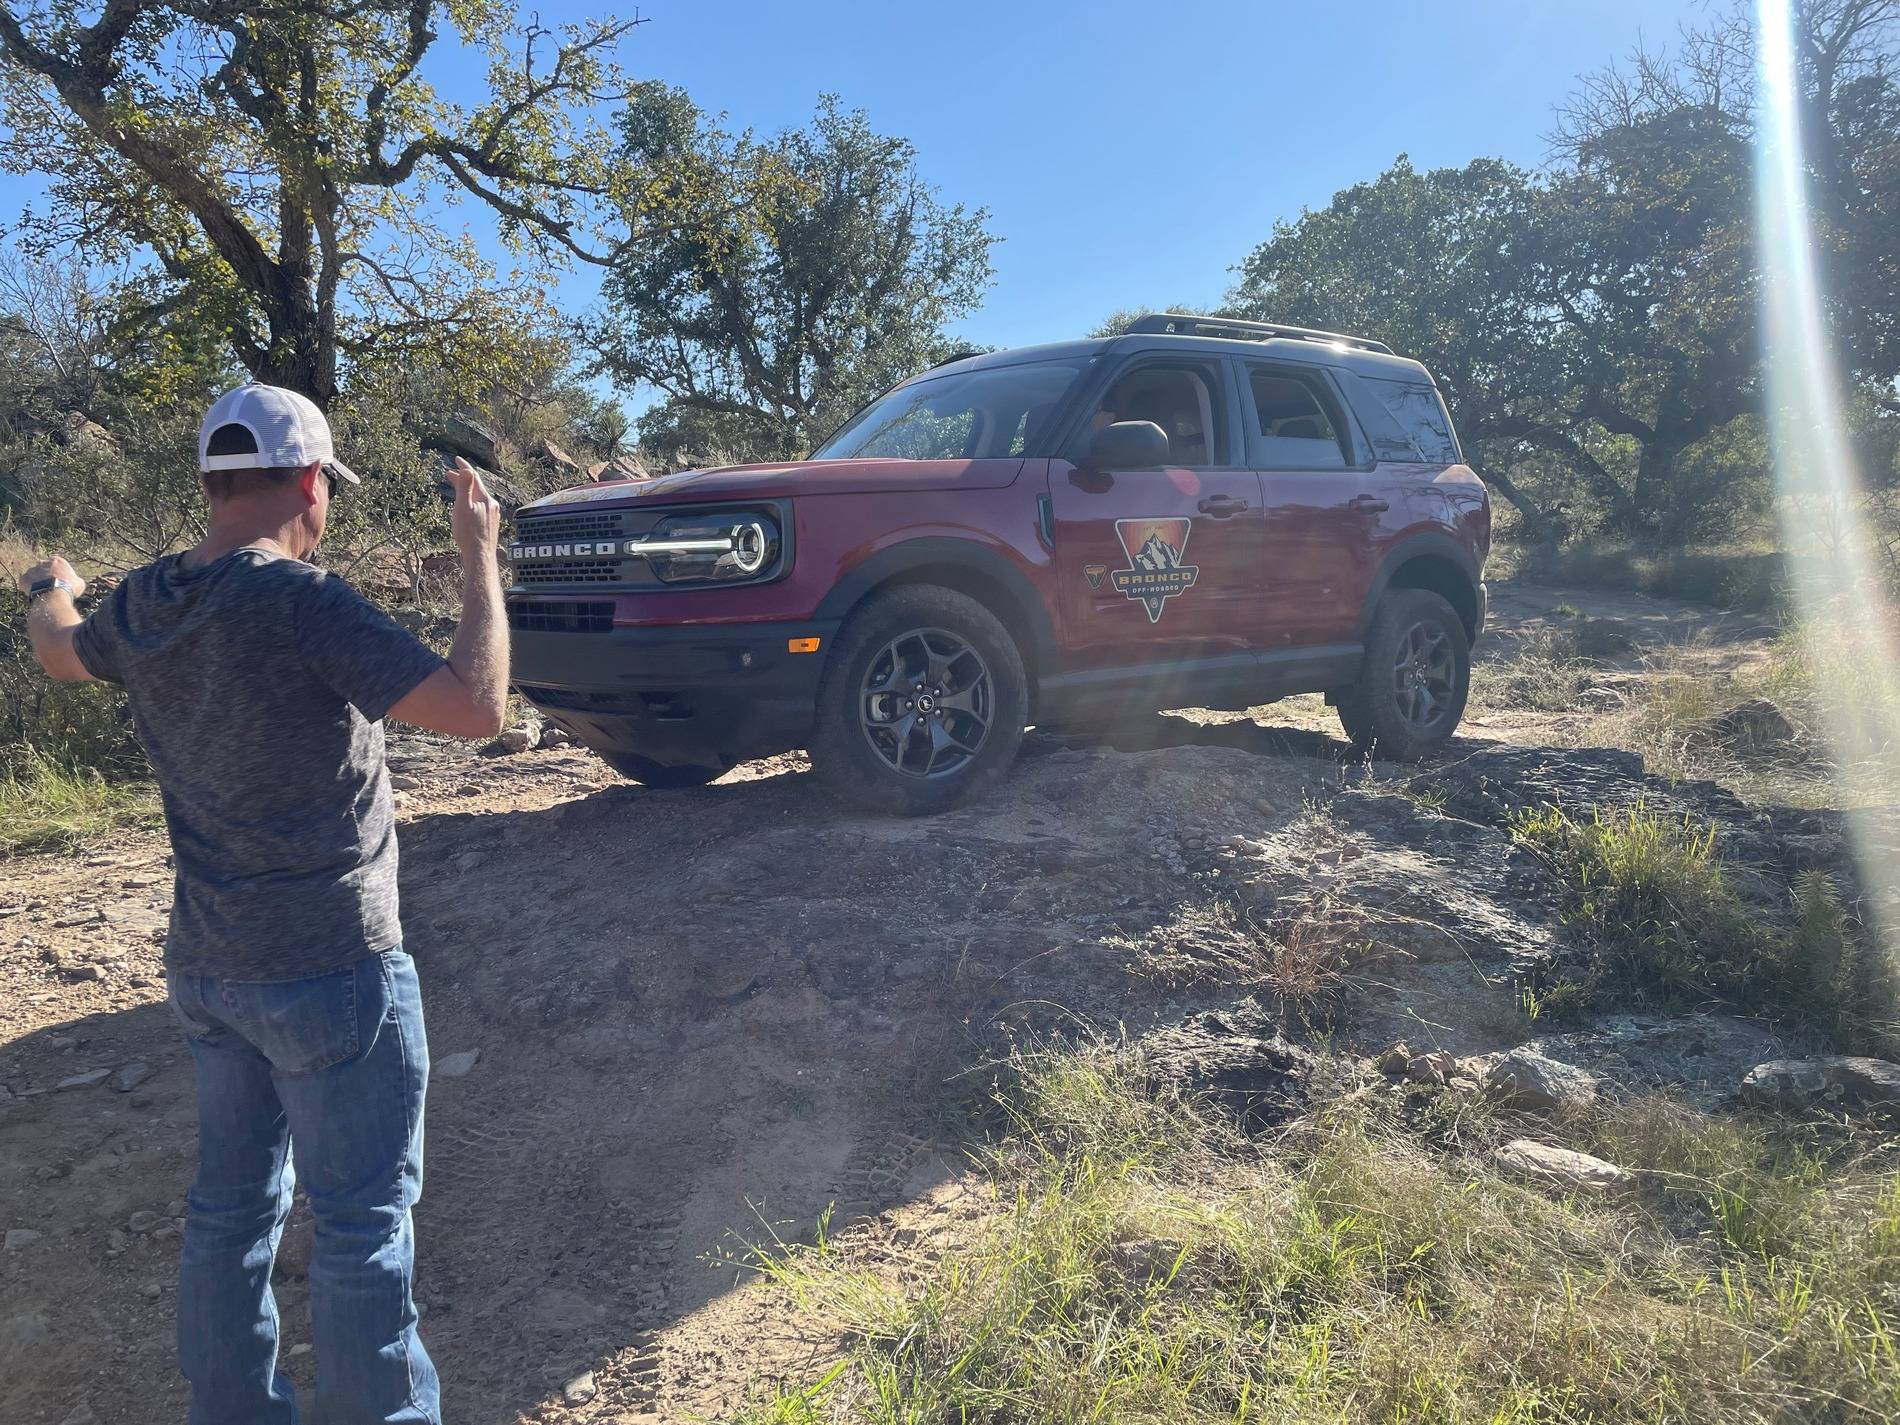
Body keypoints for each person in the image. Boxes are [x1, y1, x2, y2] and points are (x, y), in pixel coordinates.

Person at [18, 381, 510, 1425]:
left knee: (227, 1213)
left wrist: (45, 585)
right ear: (308, 482)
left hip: (208, 967)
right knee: (360, 1228)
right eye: (327, 485)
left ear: (208, 483)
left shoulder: (147, 601)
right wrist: (478, 555)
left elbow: (61, 652)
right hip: (334, 966)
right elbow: (477, 709)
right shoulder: (301, 601)